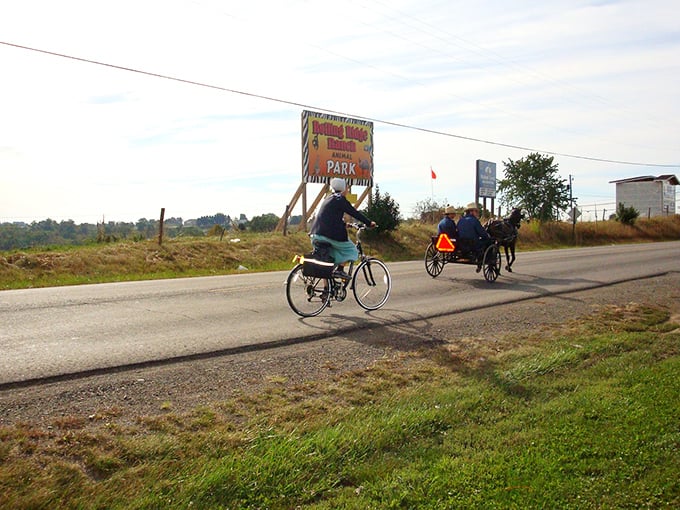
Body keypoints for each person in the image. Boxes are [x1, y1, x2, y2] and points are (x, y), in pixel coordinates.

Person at [310, 178, 376, 279]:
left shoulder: (328, 198)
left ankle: (326, 290)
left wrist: (345, 224)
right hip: (329, 235)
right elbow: (354, 212)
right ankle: (340, 270)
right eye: (347, 188)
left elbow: (329, 218)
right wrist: (369, 223)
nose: (348, 190)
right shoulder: (340, 199)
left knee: (328, 261)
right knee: (352, 250)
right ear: (343, 189)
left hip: (315, 234)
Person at [456, 202, 493, 271]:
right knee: (489, 241)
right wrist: (488, 237)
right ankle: (487, 259)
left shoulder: (460, 220)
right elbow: (482, 233)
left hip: (462, 244)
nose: (477, 213)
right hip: (473, 245)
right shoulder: (475, 221)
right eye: (476, 211)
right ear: (471, 212)